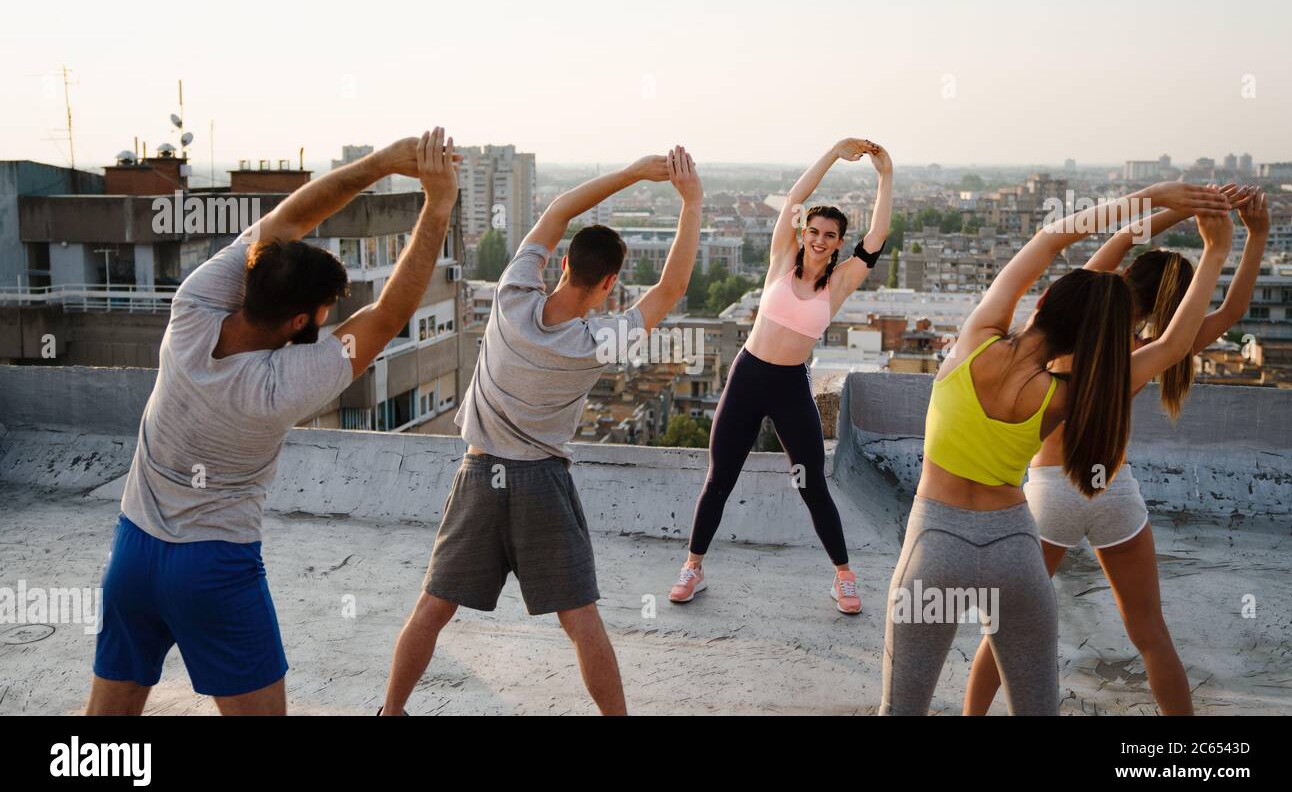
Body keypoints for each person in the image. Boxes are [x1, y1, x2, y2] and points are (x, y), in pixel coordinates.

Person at [88, 129, 461, 715]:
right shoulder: (283, 385)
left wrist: (383, 161)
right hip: (213, 567)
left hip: (132, 551)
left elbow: (288, 220)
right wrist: (438, 204)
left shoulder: (193, 308)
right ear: (298, 323)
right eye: (323, 313)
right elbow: (388, 313)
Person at [879, 181, 1233, 715]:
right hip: (1015, 550)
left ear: (1044, 300)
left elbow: (1051, 238)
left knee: (901, 710)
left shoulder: (977, 338)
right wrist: (1217, 249)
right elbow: (1173, 345)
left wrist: (1156, 198)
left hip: (937, 544)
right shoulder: (1068, 393)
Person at [381, 147, 703, 715]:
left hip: (479, 474)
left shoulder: (509, 298)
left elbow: (556, 213)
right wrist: (691, 200)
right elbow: (670, 290)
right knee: (580, 621)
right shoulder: (594, 344)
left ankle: (390, 712)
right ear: (608, 283)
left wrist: (630, 171)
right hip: (542, 488)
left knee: (432, 609)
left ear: (560, 267)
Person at [963, 185, 1268, 716]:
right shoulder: (1154, 350)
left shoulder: (1075, 328)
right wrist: (1251, 234)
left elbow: (1125, 235)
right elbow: (1232, 308)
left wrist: (1191, 206)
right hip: (1114, 493)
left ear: (1126, 282)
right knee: (1151, 634)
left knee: (1003, 629)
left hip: (1052, 492)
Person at [670, 137, 893, 614]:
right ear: (805, 231)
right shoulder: (779, 259)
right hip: (749, 375)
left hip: (791, 385)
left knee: (812, 482)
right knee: (720, 477)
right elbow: (794, 198)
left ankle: (844, 577)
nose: (819, 239)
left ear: (836, 243)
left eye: (830, 235)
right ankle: (693, 566)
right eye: (814, 230)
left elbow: (876, 236)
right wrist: (834, 154)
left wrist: (884, 175)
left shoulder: (840, 282)